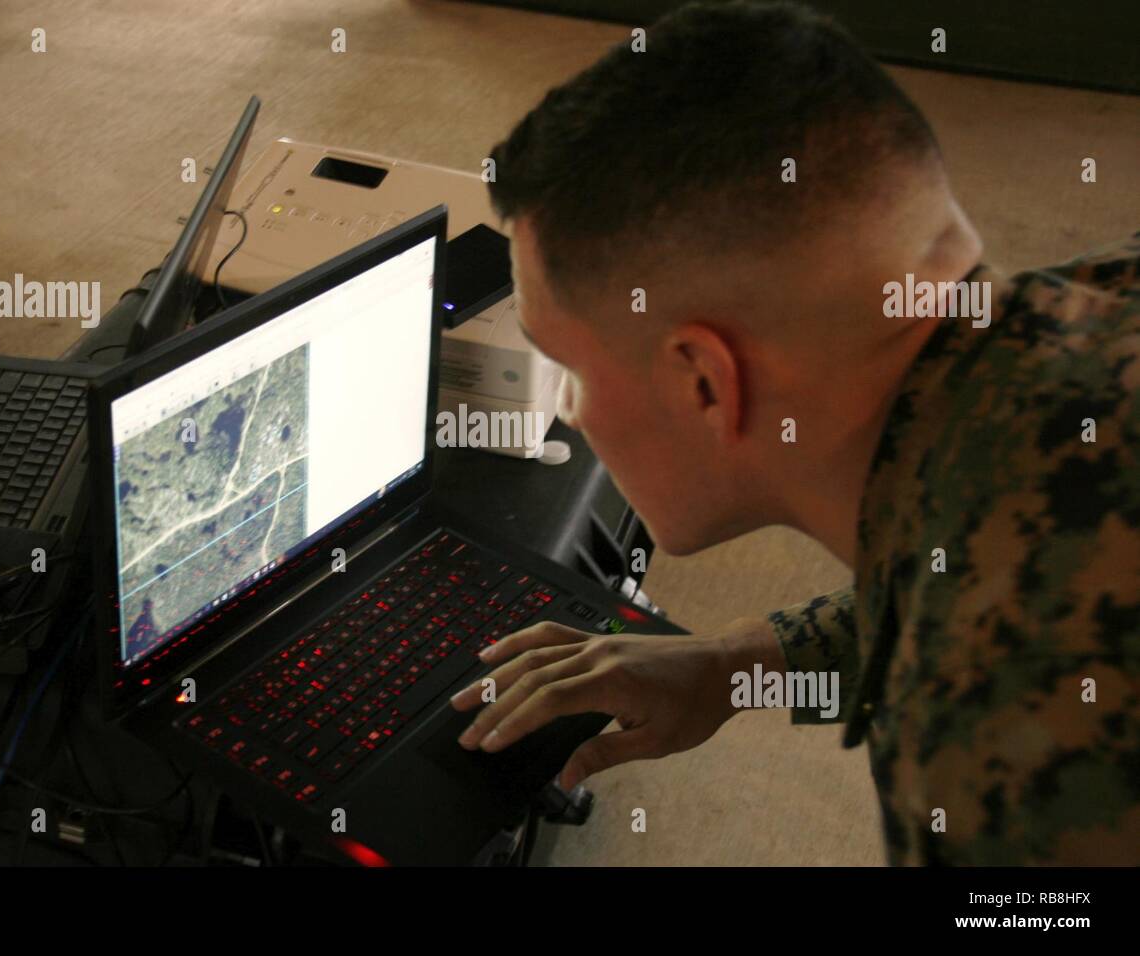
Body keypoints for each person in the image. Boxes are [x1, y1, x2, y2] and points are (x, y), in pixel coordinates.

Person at [449, 0, 1139, 865]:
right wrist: (739, 663)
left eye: (573, 369)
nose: (575, 412)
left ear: (705, 380)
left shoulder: (995, 730)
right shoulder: (1090, 308)